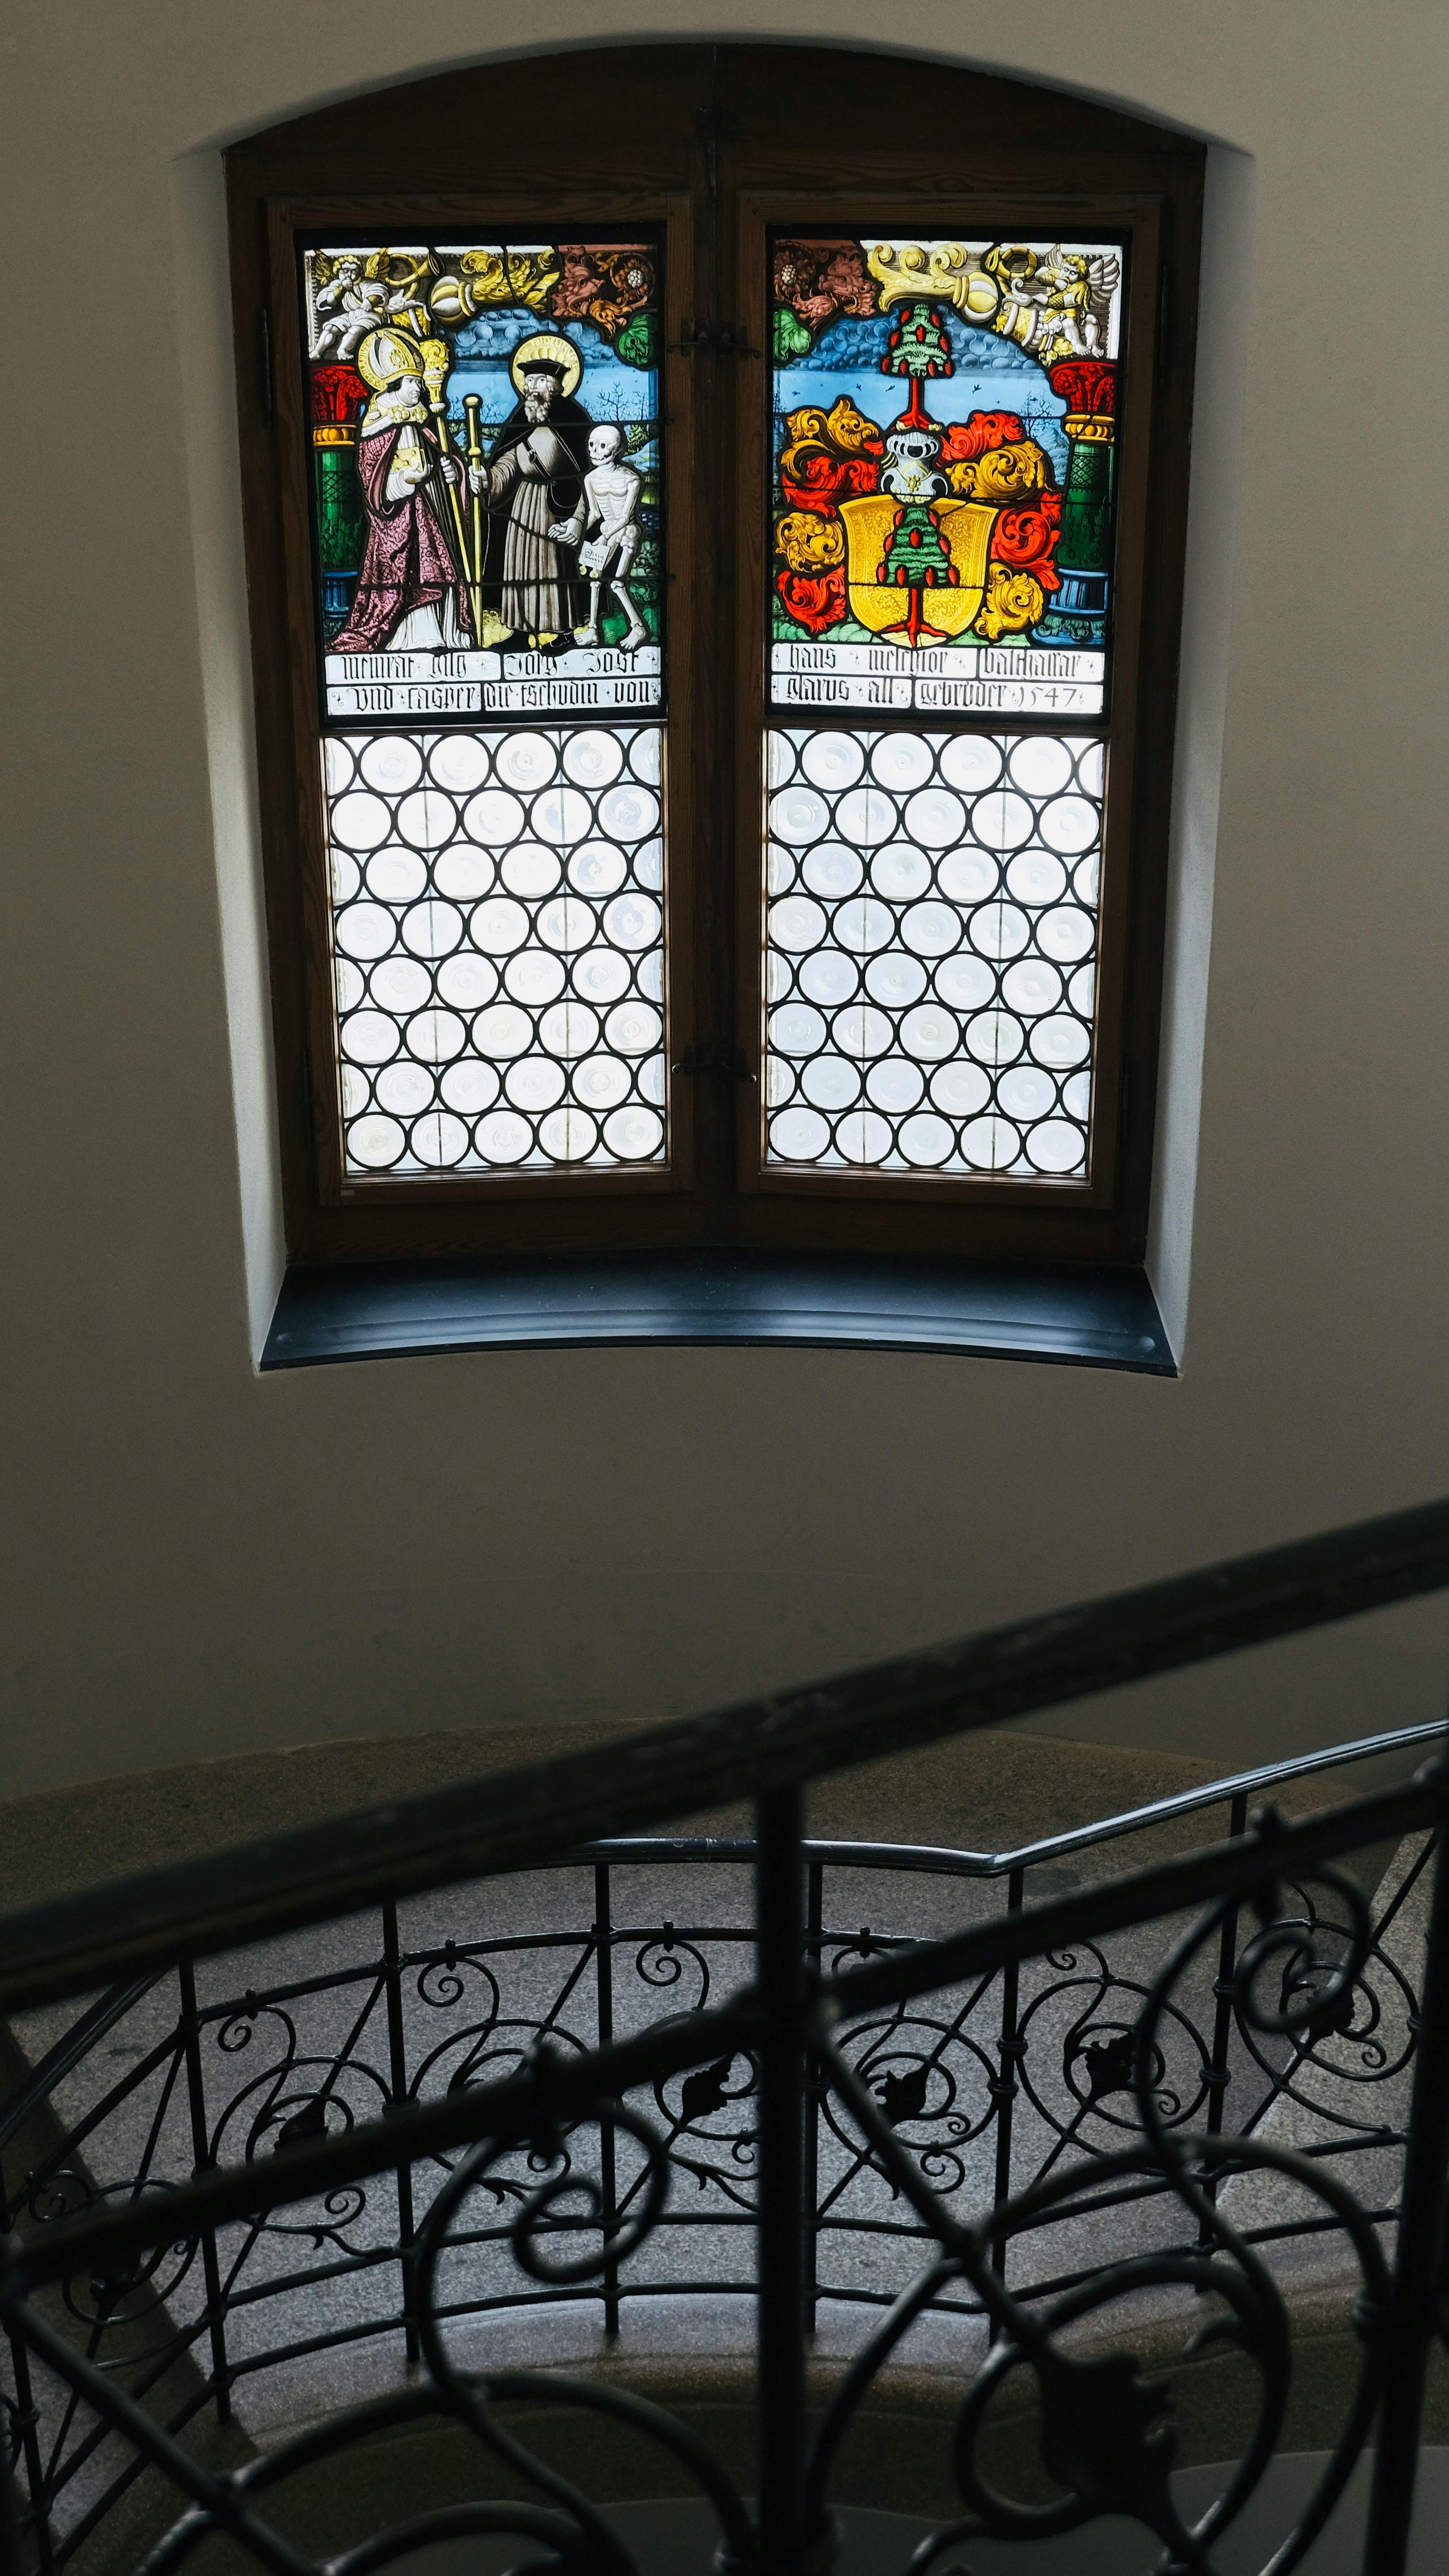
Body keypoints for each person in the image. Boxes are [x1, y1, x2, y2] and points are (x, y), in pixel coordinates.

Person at [331, 329, 472, 654]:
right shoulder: (376, 426)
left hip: (431, 509)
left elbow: (445, 459)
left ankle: (448, 633)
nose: (418, 389)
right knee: (414, 572)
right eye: (412, 383)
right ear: (394, 384)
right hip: (399, 518)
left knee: (441, 565)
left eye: (420, 383)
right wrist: (405, 480)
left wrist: (452, 469)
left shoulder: (424, 422)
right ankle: (414, 637)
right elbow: (373, 483)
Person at [469, 342, 592, 647]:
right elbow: (509, 462)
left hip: (559, 506)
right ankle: (521, 631)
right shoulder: (522, 417)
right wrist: (487, 480)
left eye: (537, 380)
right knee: (520, 565)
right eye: (527, 381)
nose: (529, 387)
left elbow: (590, 476)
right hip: (523, 504)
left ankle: (564, 632)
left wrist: (579, 518)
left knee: (554, 567)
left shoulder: (574, 418)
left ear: (555, 385)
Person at [549, 423, 648, 650]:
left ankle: (638, 628)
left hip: (627, 533)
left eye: (602, 446)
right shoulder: (591, 479)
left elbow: (626, 517)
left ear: (616, 449)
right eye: (592, 444)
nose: (594, 451)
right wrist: (575, 526)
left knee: (616, 584)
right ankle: (593, 630)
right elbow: (594, 513)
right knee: (594, 580)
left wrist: (603, 537)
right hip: (607, 533)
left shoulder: (632, 479)